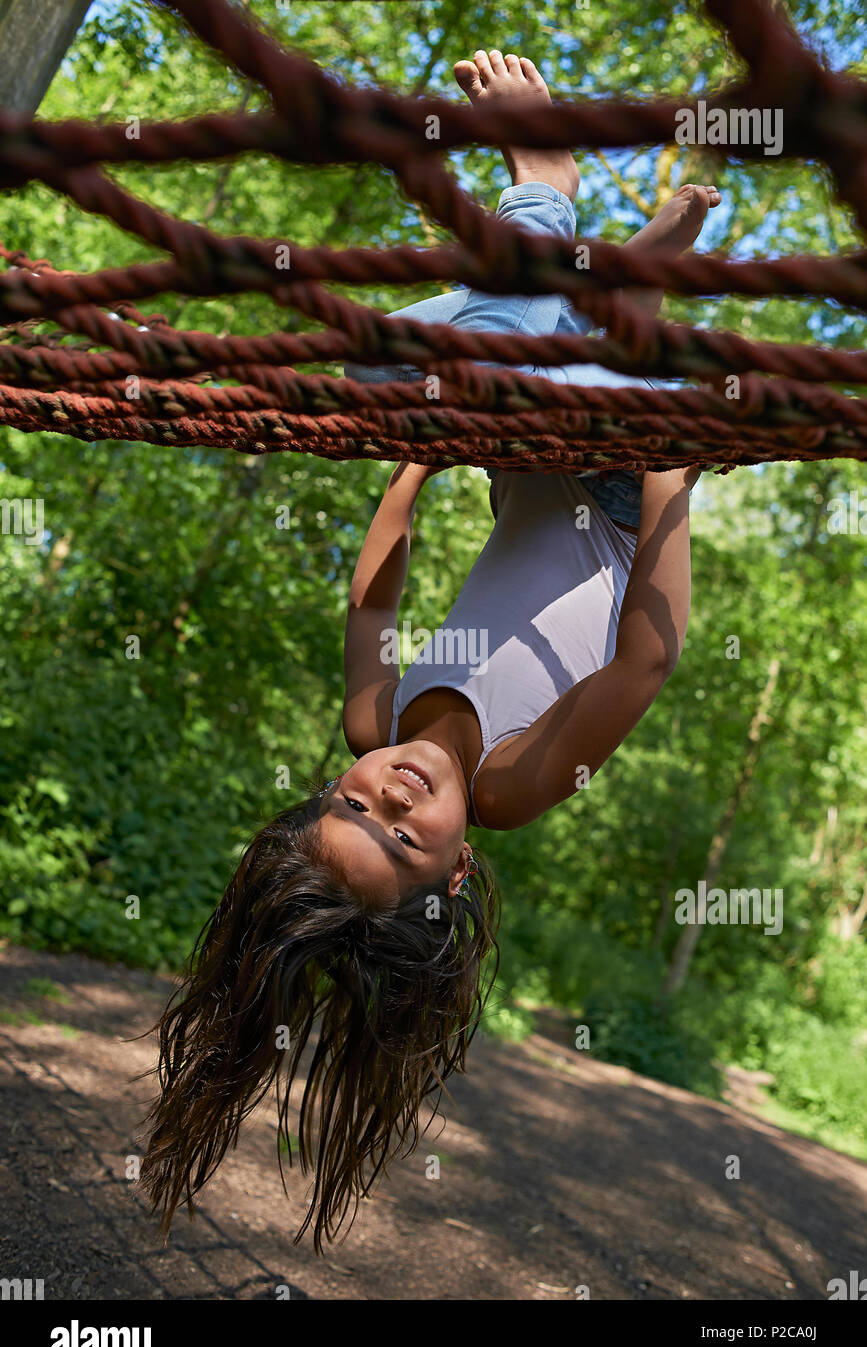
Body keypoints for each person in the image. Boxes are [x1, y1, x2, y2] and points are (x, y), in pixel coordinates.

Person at [140, 50, 719, 1253]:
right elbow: (641, 666)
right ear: (450, 873)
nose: (392, 790)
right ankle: (544, 202)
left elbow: (371, 600)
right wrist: (670, 452)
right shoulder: (508, 785)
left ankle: (604, 280)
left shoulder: (378, 722)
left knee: (357, 361)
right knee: (506, 352)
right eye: (403, 836)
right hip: (614, 489)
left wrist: (407, 466)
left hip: (518, 449)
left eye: (355, 802)